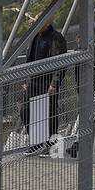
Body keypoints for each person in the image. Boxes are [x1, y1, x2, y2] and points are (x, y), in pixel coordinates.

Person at [23, 18, 67, 150]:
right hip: (34, 81)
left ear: (47, 23)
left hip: (48, 82)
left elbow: (60, 63)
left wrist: (54, 83)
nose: (35, 26)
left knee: (49, 112)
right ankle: (37, 142)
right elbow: (29, 59)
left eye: (39, 23)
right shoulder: (35, 36)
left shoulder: (56, 38)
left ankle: (50, 144)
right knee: (26, 110)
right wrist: (26, 79)